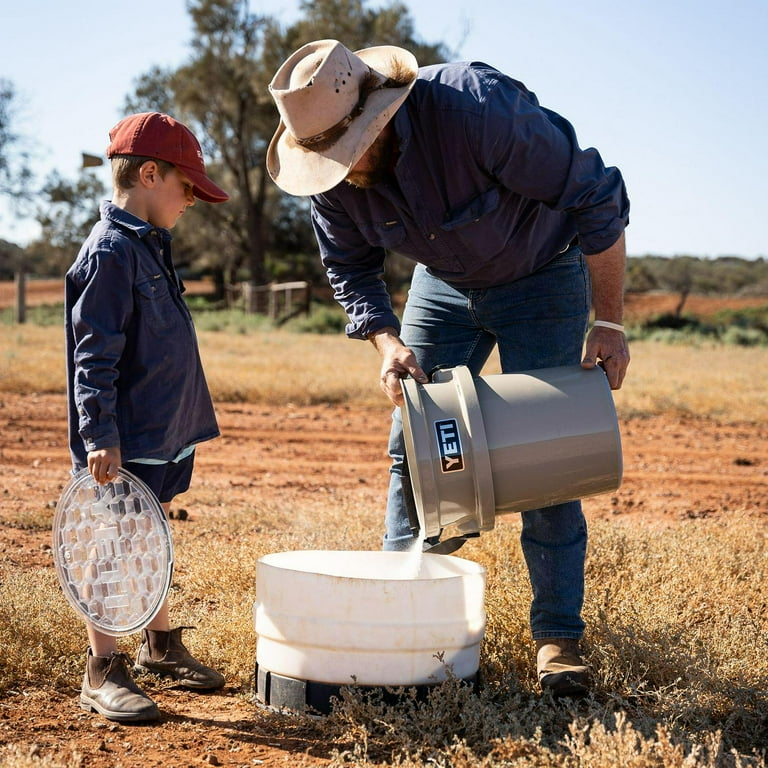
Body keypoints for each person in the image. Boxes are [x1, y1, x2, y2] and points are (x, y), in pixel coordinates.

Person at [266, 40, 631, 698]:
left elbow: (597, 195)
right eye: (328, 159)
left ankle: (558, 639)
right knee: (415, 446)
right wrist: (386, 342)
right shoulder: (331, 178)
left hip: (542, 273)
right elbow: (349, 268)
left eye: (350, 152)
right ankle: (404, 618)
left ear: (377, 114)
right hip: (440, 285)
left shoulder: (476, 109)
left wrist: (609, 322)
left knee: (548, 457)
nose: (342, 169)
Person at [64, 112, 229, 722]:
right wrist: (100, 436)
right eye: (187, 186)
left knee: (149, 535)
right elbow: (94, 355)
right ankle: (101, 667)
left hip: (163, 432)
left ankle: (158, 646)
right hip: (125, 439)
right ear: (150, 174)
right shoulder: (110, 252)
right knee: (115, 542)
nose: (192, 200)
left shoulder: (147, 245)